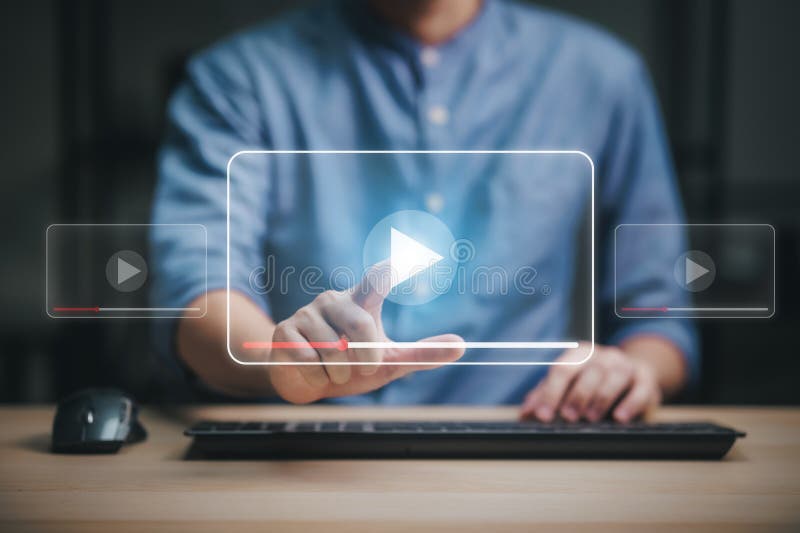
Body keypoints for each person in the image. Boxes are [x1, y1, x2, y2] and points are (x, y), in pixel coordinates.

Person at [151, 0, 697, 423]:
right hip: (302, 452)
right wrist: (283, 362)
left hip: (536, 440)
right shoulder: (237, 79)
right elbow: (198, 290)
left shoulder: (602, 77)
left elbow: (659, 314)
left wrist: (630, 372)